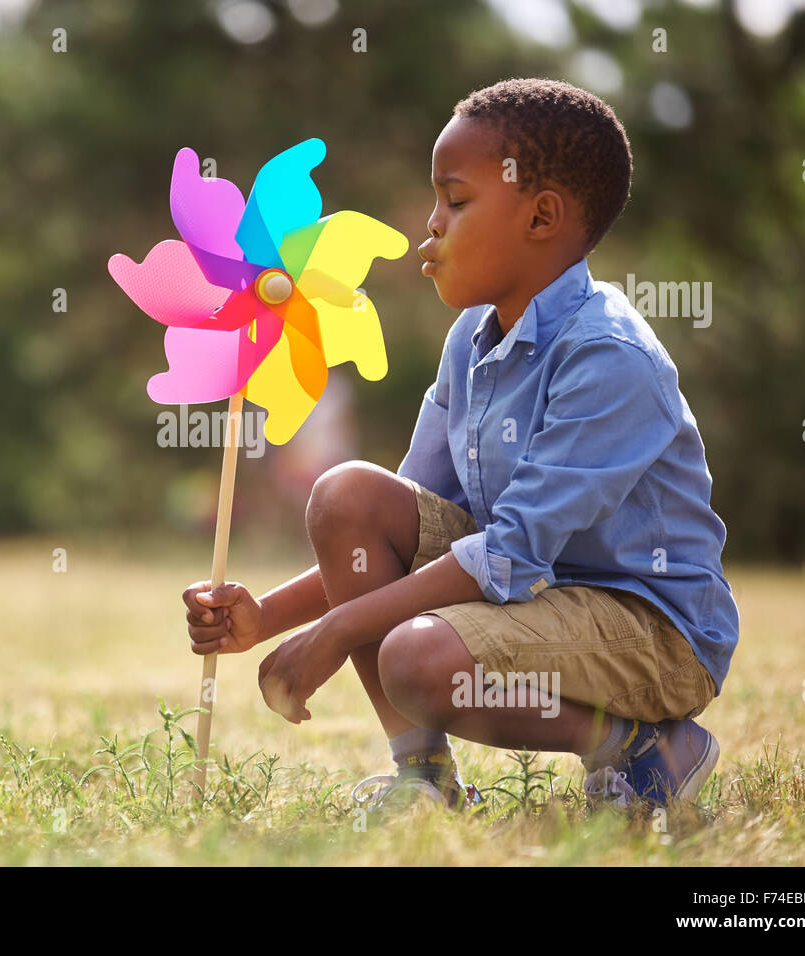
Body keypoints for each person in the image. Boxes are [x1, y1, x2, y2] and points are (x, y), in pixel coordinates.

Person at [181, 78, 739, 813]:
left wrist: (339, 629)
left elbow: (509, 551)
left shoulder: (608, 355)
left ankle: (645, 749)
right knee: (348, 495)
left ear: (542, 216)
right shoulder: (471, 341)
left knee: (416, 655)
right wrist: (265, 620)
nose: (430, 224)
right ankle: (427, 781)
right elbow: (398, 540)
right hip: (538, 599)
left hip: (649, 631)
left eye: (455, 200)